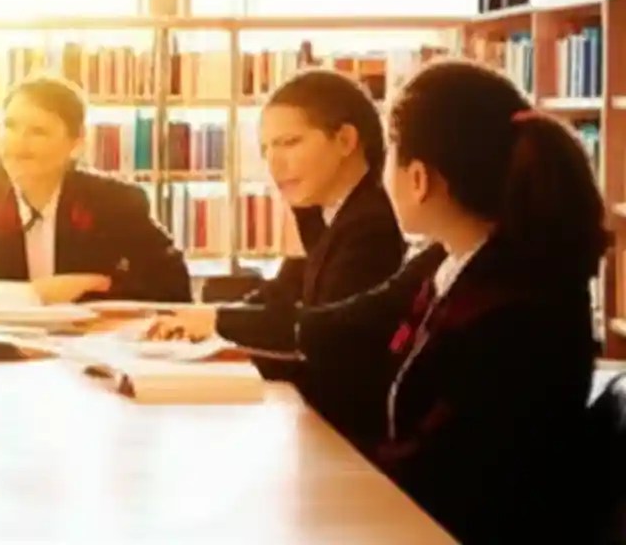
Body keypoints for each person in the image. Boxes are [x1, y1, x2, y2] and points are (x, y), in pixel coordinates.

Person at [296, 61, 606, 542]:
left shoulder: (512, 312)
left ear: (419, 178)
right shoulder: (457, 262)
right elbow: (350, 333)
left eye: (390, 155)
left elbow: (438, 473)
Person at [154, 69, 406, 443]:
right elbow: (282, 294)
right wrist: (204, 325)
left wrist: (217, 325)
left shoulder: (373, 225)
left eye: (289, 143)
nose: (273, 163)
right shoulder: (324, 212)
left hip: (350, 437)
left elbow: (325, 339)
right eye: (266, 149)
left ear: (345, 140)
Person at [0, 74, 192, 311]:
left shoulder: (116, 203)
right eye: (10, 126)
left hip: (88, 353)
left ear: (76, 143)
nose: (18, 141)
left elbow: (173, 289)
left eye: (38, 131)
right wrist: (35, 295)